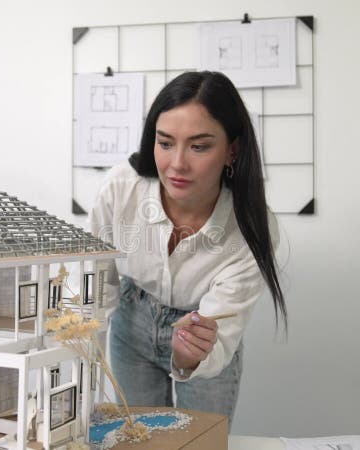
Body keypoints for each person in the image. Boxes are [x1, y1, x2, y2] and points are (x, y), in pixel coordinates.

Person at [89, 71, 286, 423]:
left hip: (205, 331)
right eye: (165, 143)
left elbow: (221, 326)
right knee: (139, 443)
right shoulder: (121, 188)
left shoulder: (251, 228)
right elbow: (93, 285)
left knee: (201, 441)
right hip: (131, 320)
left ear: (233, 150)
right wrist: (79, 371)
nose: (177, 163)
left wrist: (187, 355)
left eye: (199, 146)